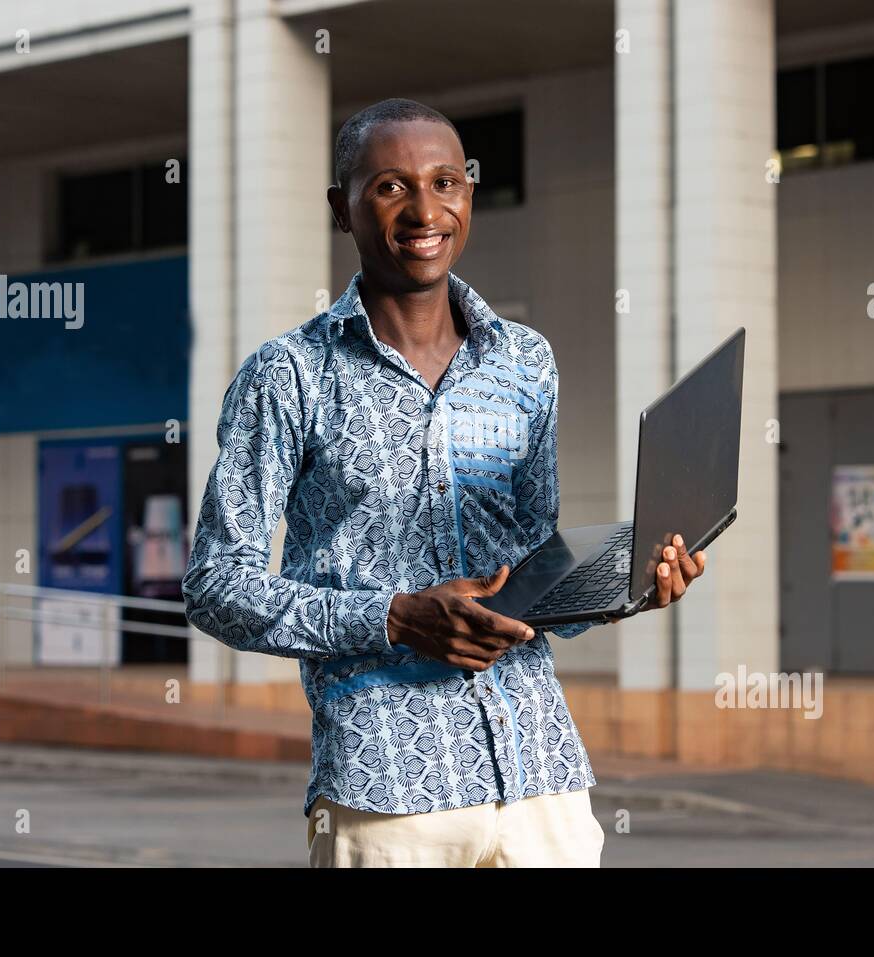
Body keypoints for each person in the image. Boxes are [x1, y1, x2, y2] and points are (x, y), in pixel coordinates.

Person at [183, 98, 707, 867]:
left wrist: (629, 583)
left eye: (446, 181)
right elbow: (215, 585)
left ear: (468, 194)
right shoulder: (288, 376)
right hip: (387, 787)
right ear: (343, 209)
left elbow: (533, 576)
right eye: (391, 187)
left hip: (540, 778)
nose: (425, 209)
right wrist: (395, 618)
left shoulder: (525, 361)